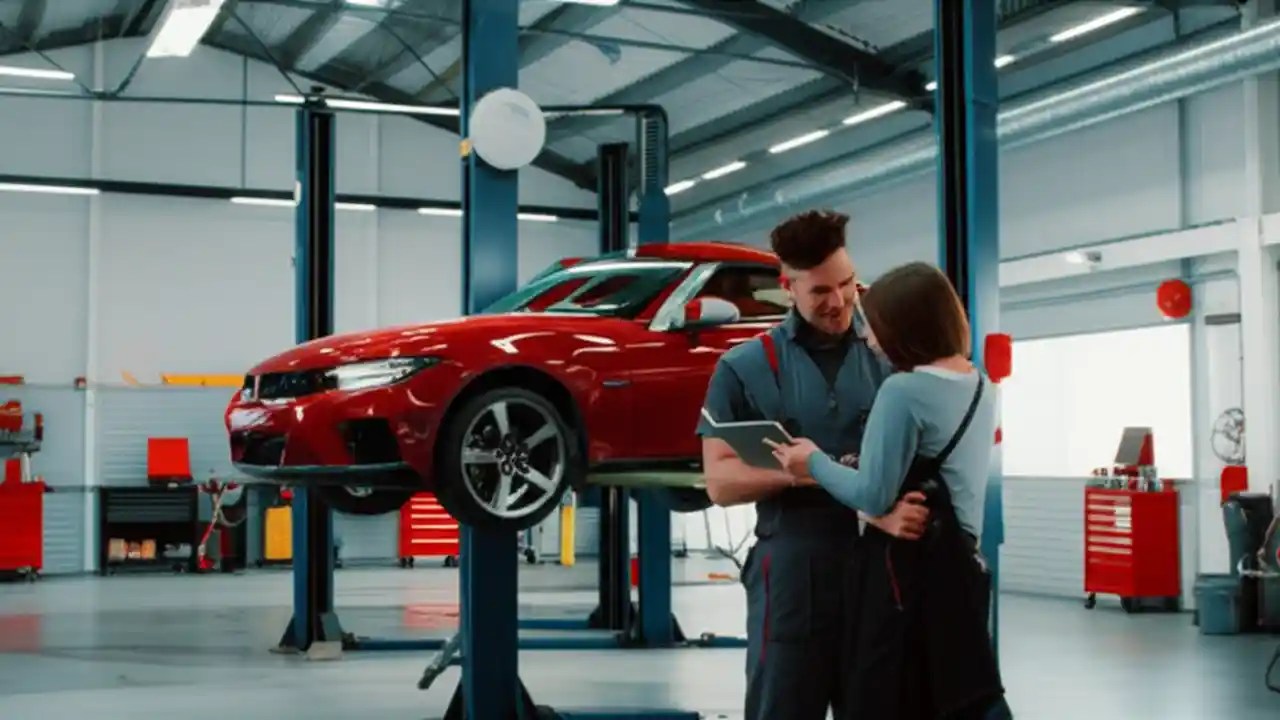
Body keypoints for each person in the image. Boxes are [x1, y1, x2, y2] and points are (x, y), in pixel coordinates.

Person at [696, 210, 930, 720]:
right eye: (821, 291)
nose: (840, 301)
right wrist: (800, 471)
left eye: (847, 284)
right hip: (790, 573)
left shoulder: (890, 356)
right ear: (789, 288)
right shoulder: (744, 367)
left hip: (878, 563)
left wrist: (823, 473)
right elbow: (719, 481)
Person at [768, 260, 1011, 720]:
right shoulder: (980, 384)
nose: (867, 336)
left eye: (872, 324)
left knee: (884, 696)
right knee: (955, 695)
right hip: (960, 569)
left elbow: (874, 496)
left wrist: (812, 462)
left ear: (904, 327)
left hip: (905, 577)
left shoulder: (902, 390)